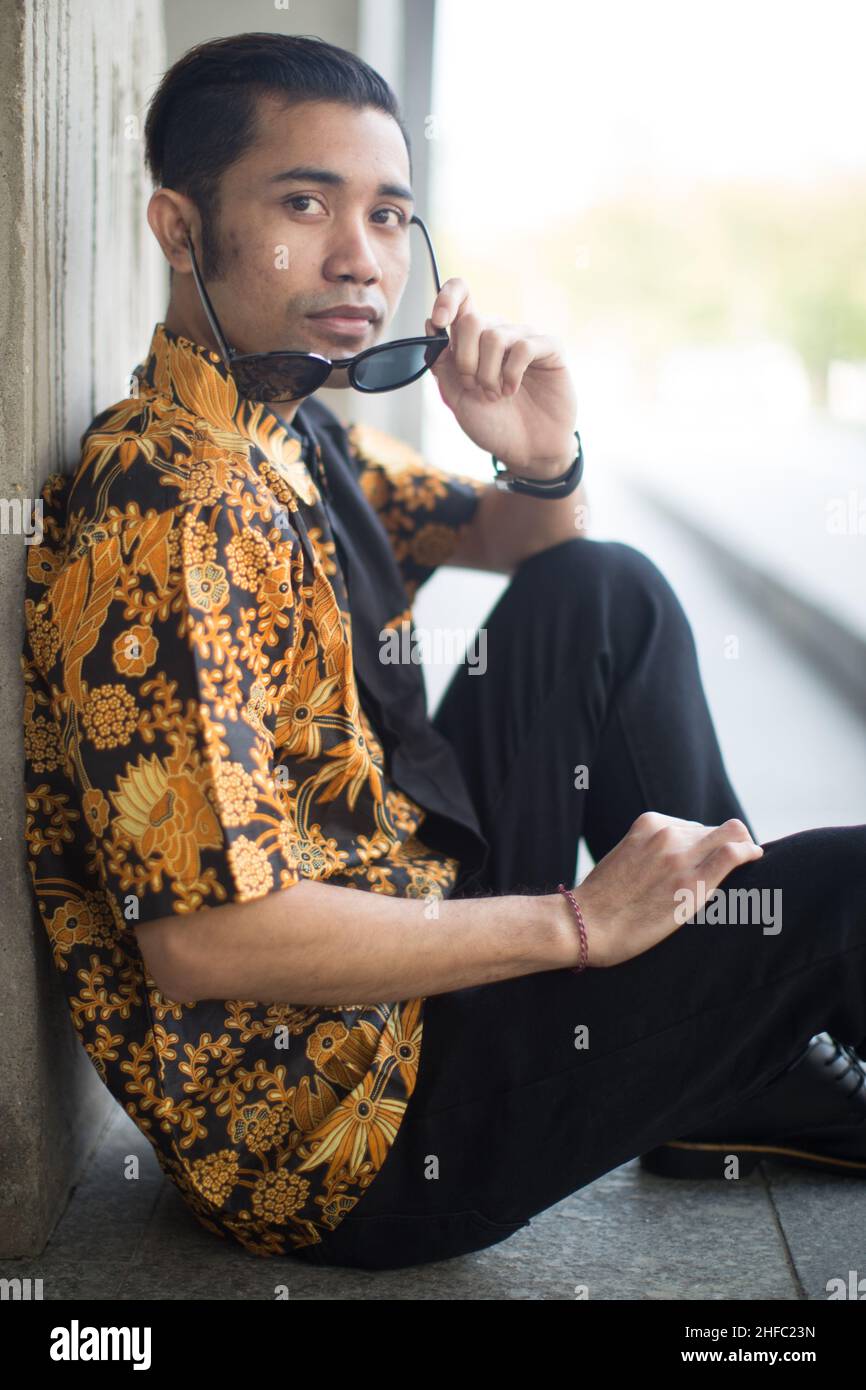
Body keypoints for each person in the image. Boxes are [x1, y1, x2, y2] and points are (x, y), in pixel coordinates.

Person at [22, 32, 866, 1274]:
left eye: (387, 214)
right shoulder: (169, 503)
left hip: (406, 930)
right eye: (303, 203)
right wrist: (579, 923)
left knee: (601, 587)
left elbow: (523, 542)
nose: (358, 256)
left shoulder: (289, 433)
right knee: (841, 896)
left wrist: (537, 453)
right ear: (180, 227)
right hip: (341, 1128)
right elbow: (205, 943)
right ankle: (742, 1023)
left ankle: (742, 1043)